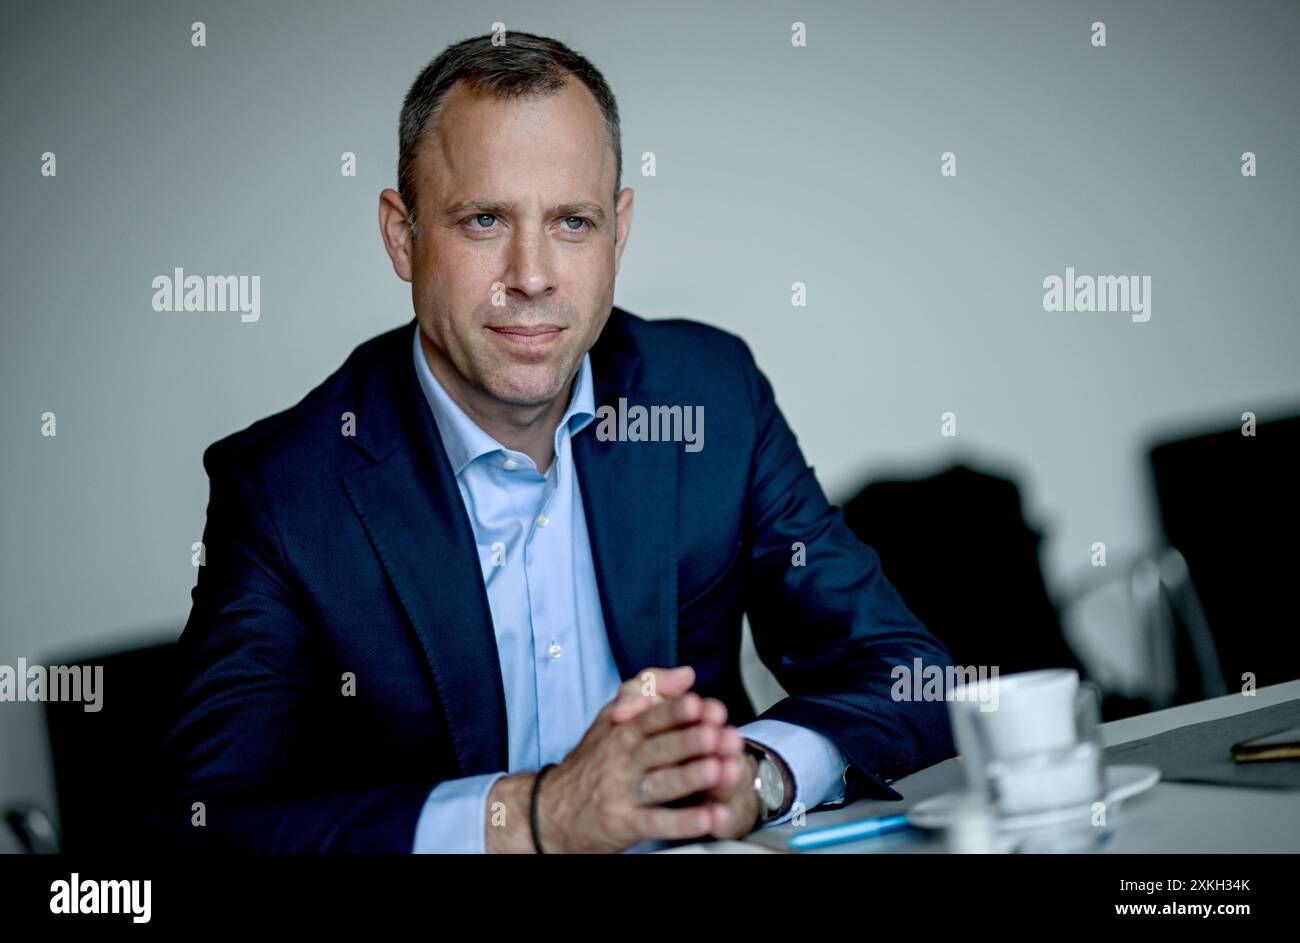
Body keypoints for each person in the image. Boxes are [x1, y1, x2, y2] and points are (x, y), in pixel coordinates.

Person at [155, 30, 955, 853]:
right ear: (404, 235)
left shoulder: (708, 395)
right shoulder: (286, 491)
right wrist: (535, 816)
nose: (532, 274)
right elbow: (203, 822)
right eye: (484, 219)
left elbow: (907, 674)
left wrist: (757, 773)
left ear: (620, 230)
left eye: (573, 221)